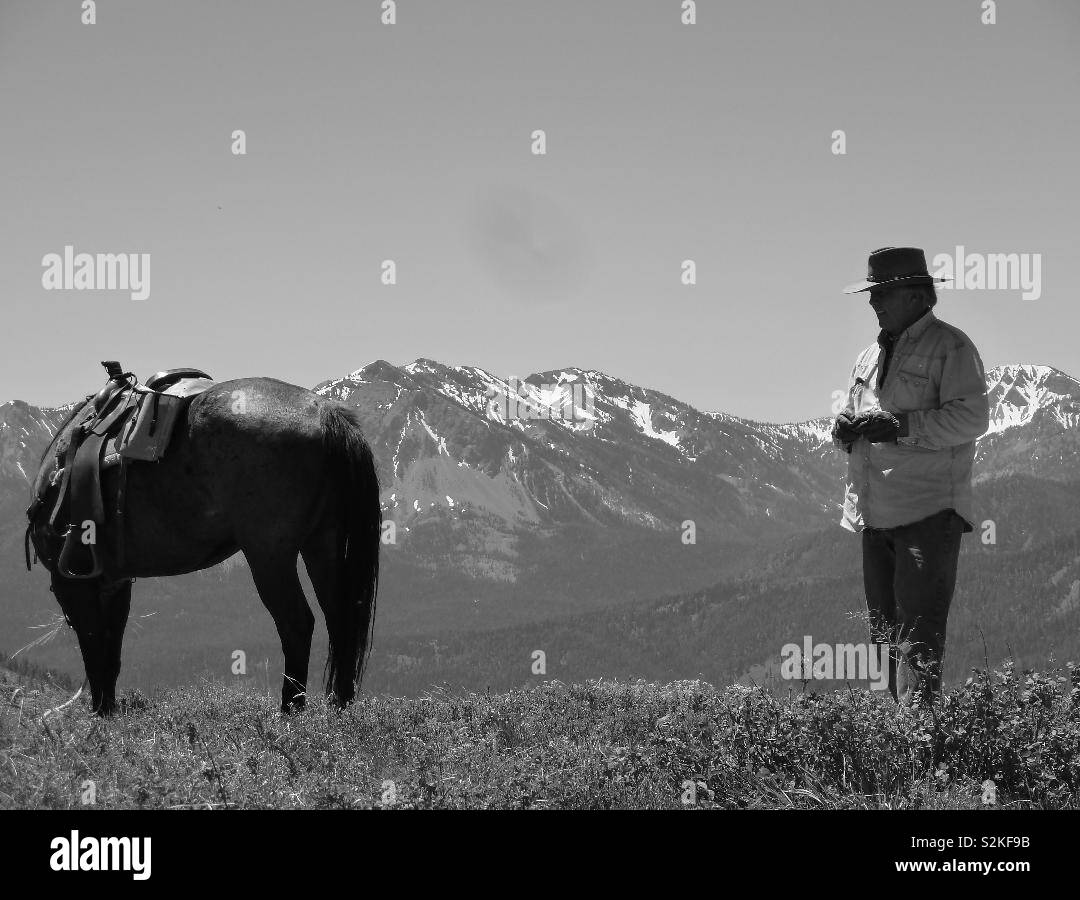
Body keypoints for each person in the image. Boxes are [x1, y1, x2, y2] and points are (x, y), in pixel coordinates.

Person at [832, 247, 990, 704]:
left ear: (919, 296)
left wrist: (902, 427)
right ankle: (889, 734)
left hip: (927, 511)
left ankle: (916, 744)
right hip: (873, 514)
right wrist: (843, 429)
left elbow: (972, 419)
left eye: (883, 292)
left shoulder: (952, 348)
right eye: (872, 292)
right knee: (883, 633)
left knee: (917, 635)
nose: (873, 302)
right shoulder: (866, 359)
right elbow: (858, 424)